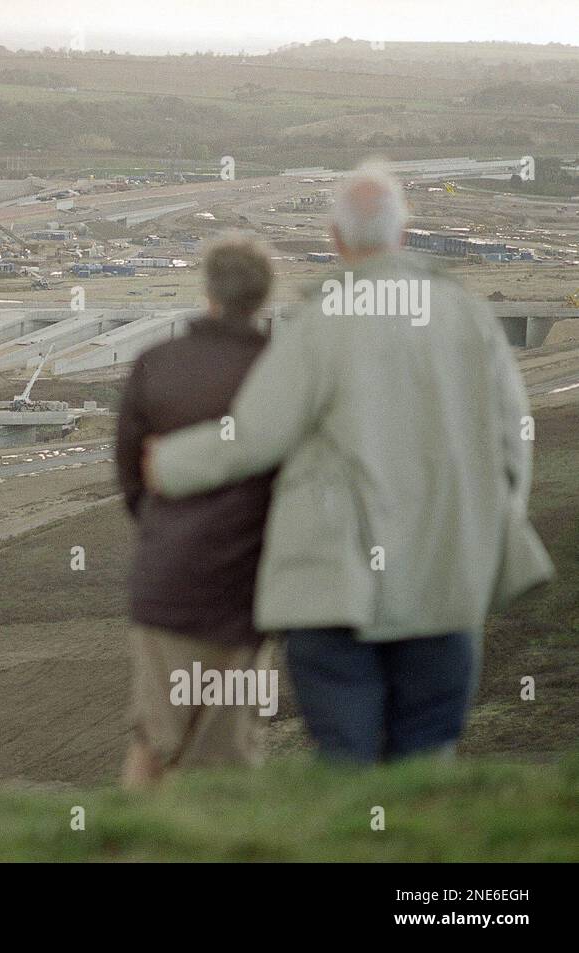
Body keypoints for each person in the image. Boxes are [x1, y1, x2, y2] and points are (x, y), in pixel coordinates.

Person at [145, 163, 553, 764]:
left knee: (348, 764)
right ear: (405, 233)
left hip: (335, 591)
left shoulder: (321, 325)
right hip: (444, 583)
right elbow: (513, 444)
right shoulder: (471, 321)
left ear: (336, 237)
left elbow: (253, 436)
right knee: (427, 765)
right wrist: (483, 535)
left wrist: (167, 464)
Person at [115, 237, 278, 787]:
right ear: (263, 297)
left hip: (169, 581)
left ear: (208, 291)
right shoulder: (280, 371)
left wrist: (169, 531)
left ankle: (132, 846)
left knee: (155, 740)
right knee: (230, 750)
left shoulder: (155, 364)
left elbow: (132, 479)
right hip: (252, 586)